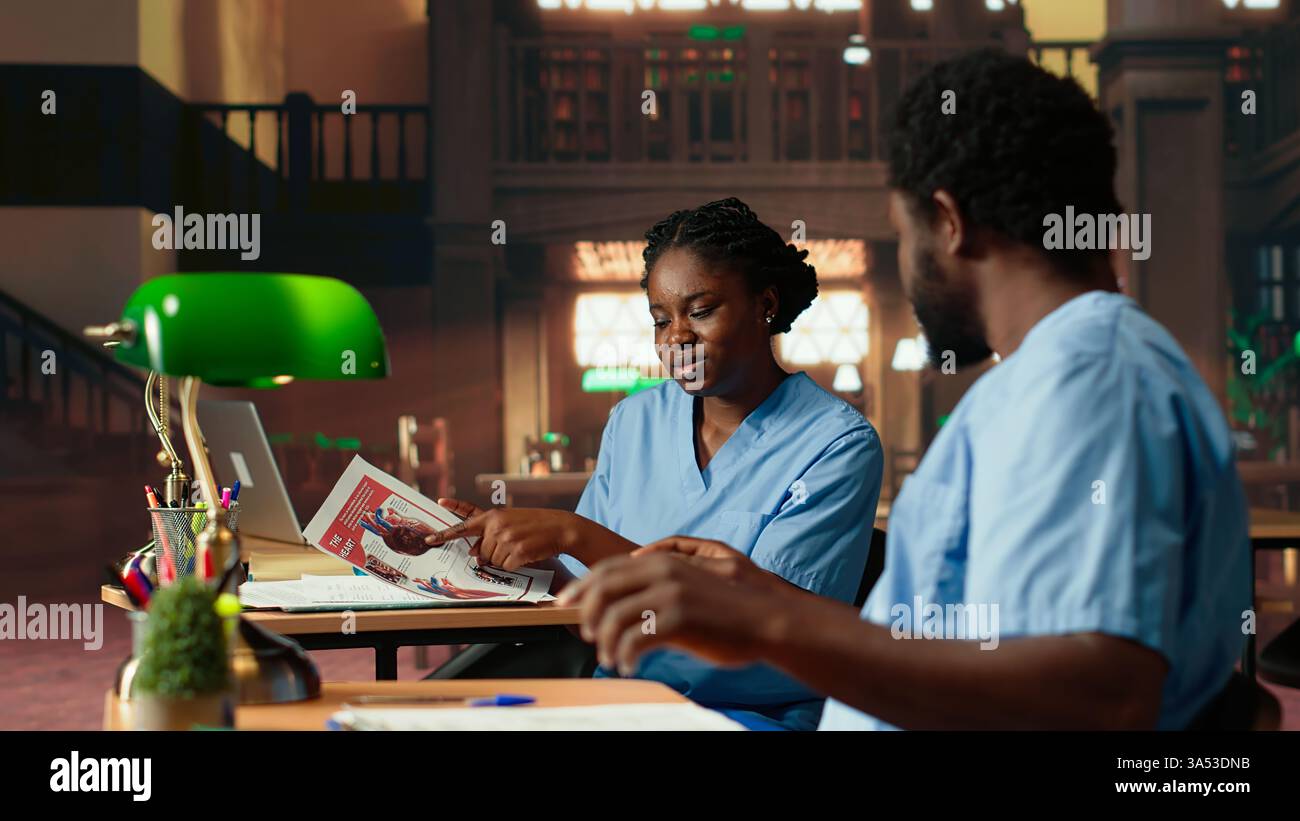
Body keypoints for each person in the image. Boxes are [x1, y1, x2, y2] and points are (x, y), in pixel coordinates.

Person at [560, 50, 1251, 730]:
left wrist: (768, 623)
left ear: (948, 222)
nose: (906, 262)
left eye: (901, 234)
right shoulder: (1050, 376)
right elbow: (979, 645)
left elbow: (1103, 694)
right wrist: (763, 599)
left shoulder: (1088, 380)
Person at [426, 198, 884, 729]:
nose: (676, 339)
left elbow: (772, 633)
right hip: (618, 705)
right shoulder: (633, 421)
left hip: (750, 714)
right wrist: (515, 555)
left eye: (701, 310)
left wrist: (575, 534)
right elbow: (584, 609)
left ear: (766, 303)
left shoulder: (836, 443)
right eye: (660, 320)